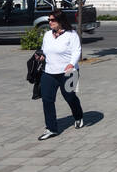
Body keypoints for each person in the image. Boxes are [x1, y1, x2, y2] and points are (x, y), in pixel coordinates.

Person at [35, 10, 84, 140]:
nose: (49, 22)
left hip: (69, 72)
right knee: (47, 99)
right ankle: (51, 128)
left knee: (70, 96)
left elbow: (77, 51)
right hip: (49, 72)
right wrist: (41, 56)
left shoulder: (71, 35)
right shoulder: (47, 35)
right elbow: (45, 50)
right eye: (49, 20)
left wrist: (71, 64)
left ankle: (78, 116)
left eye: (52, 20)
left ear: (61, 21)